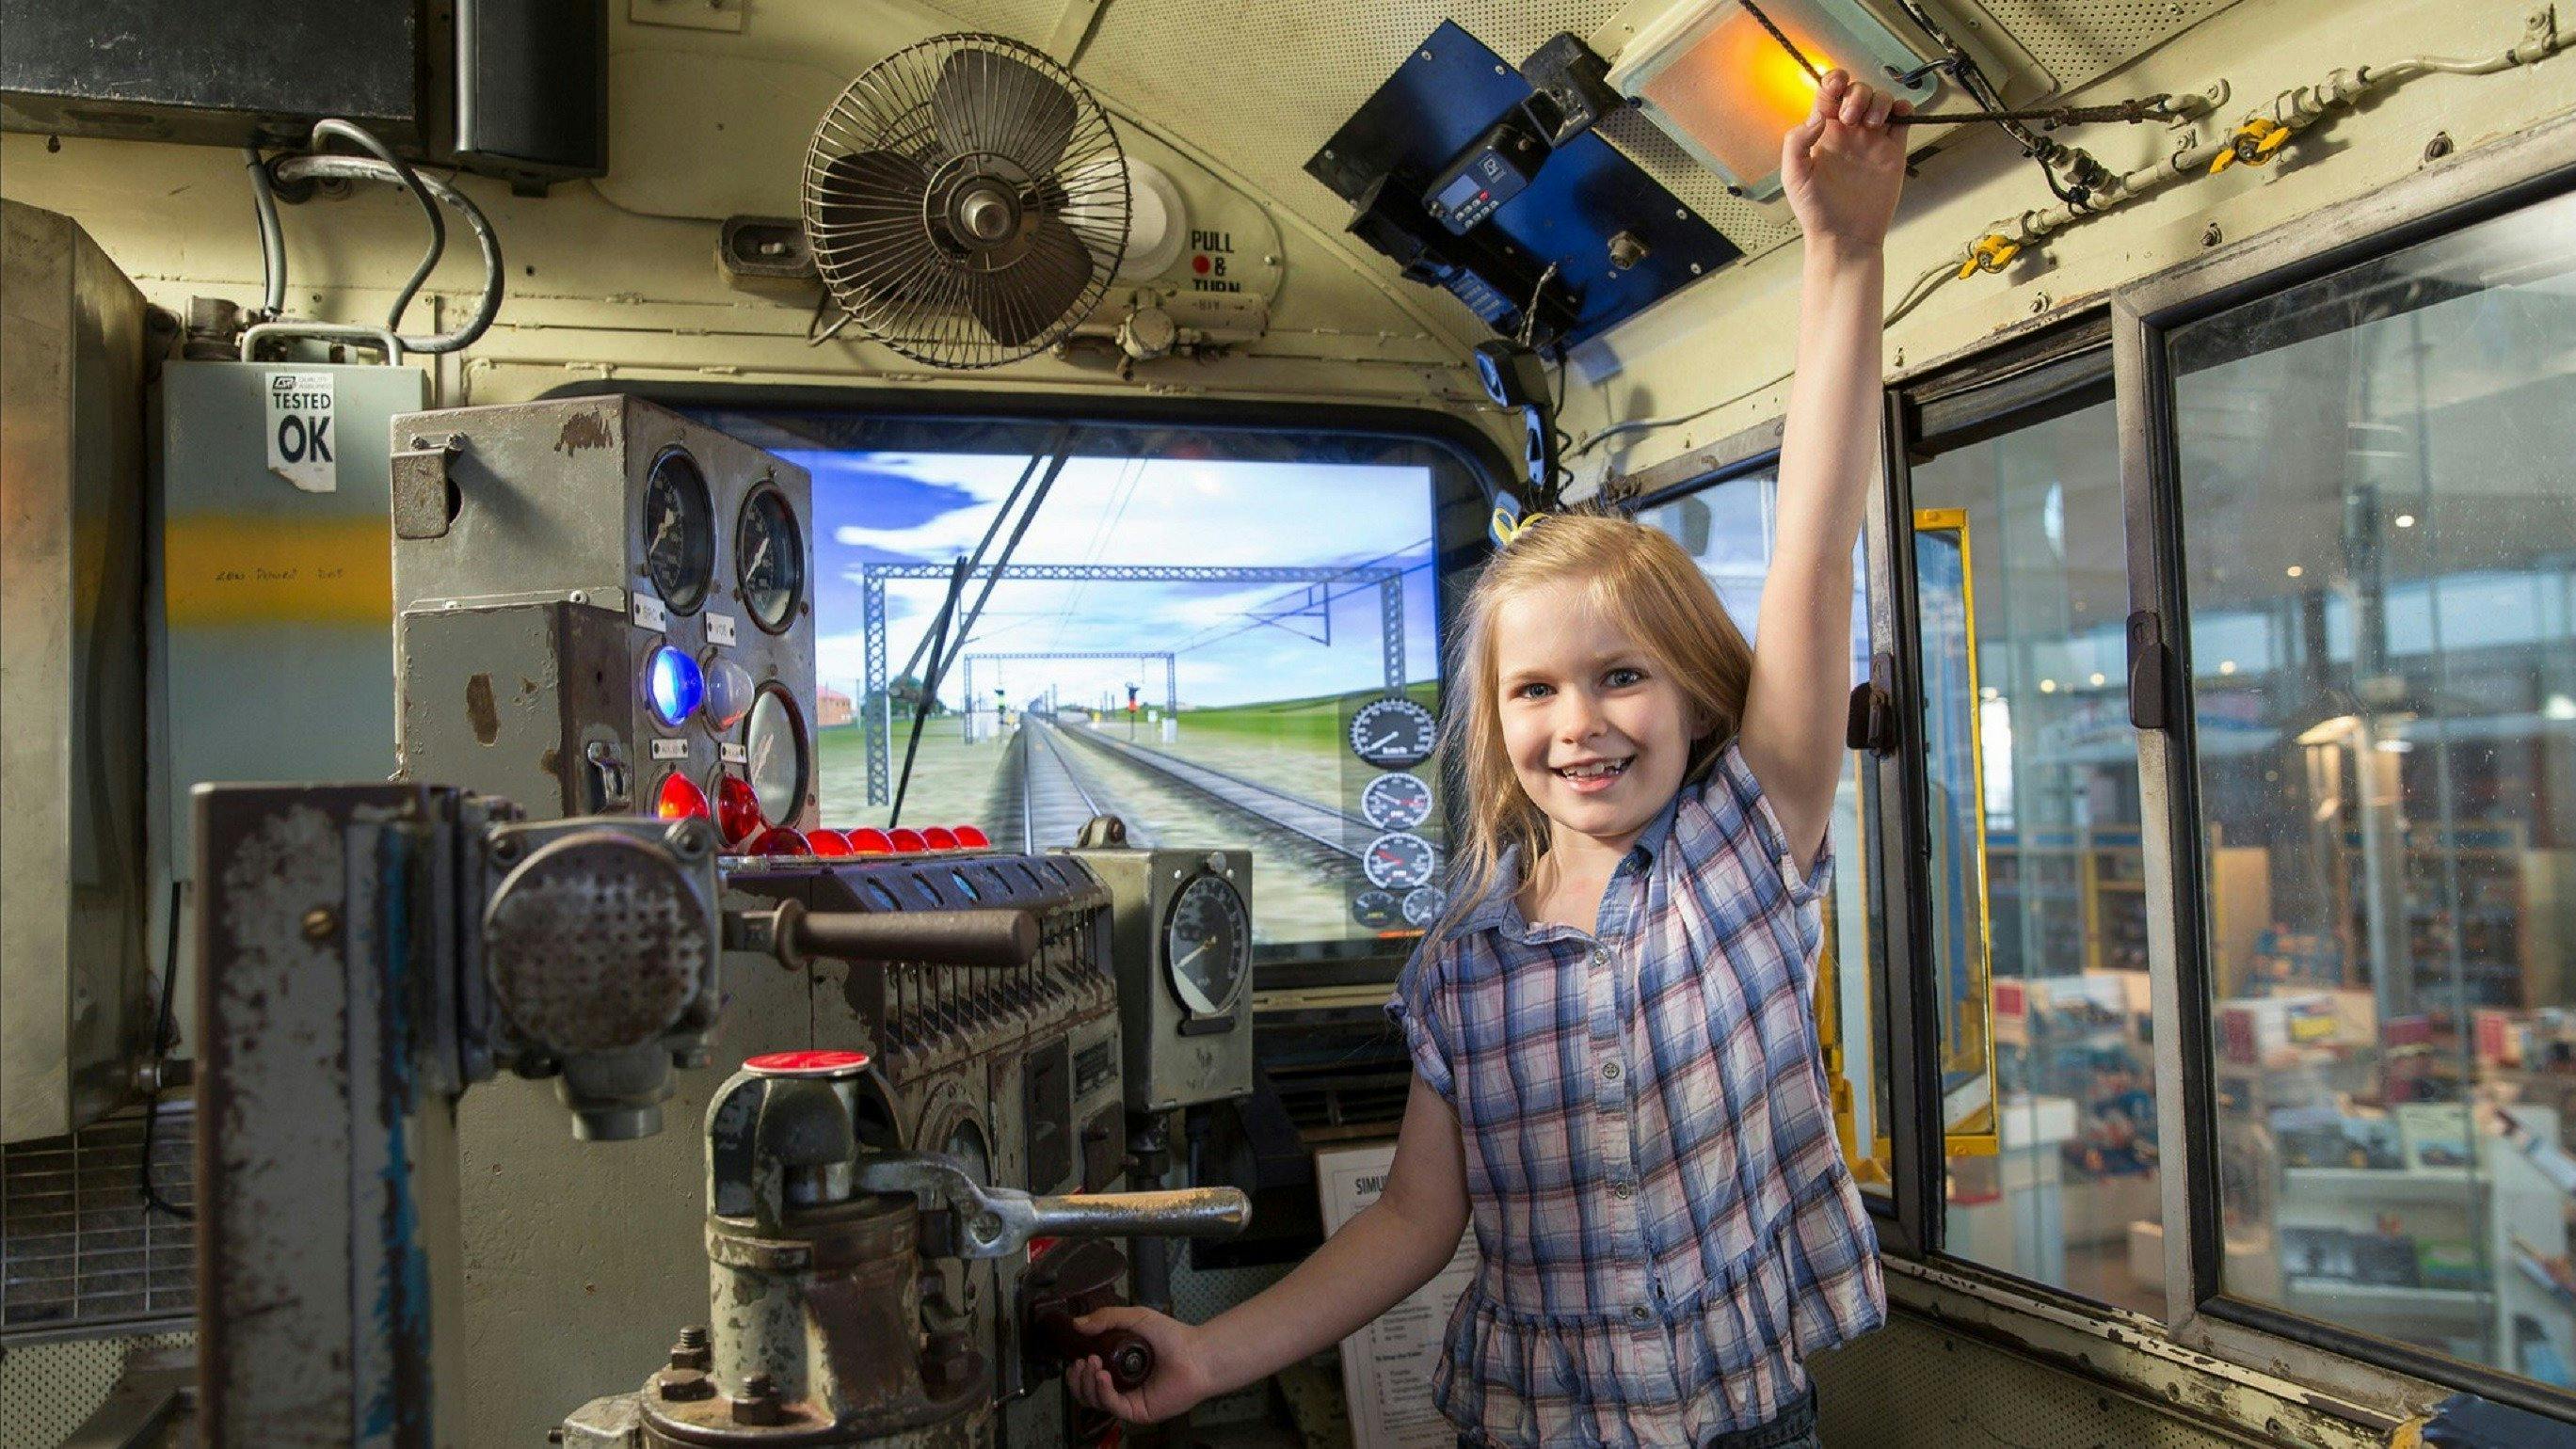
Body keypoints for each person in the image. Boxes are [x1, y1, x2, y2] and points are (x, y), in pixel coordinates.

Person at [1066, 70, 1910, 1447]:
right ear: (1497, 726)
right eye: (1535, 690)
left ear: (1698, 699)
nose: (1577, 723)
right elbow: (1410, 1219)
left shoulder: (1745, 852)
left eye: (1621, 676)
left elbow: (1812, 548)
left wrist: (1843, 250)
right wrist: (1210, 1357)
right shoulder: (1459, 968)